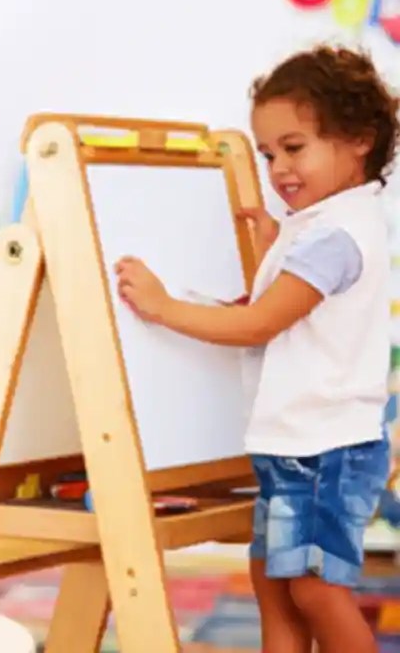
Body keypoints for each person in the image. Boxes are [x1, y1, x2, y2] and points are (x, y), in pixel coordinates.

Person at [115, 44, 399, 653]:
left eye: (294, 148)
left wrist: (164, 307)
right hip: (295, 442)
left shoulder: (337, 235)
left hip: (328, 449)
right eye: (269, 153)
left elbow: (260, 324)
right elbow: (292, 308)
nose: (277, 169)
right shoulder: (321, 224)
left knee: (317, 590)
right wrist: (274, 243)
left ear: (358, 140)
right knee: (274, 585)